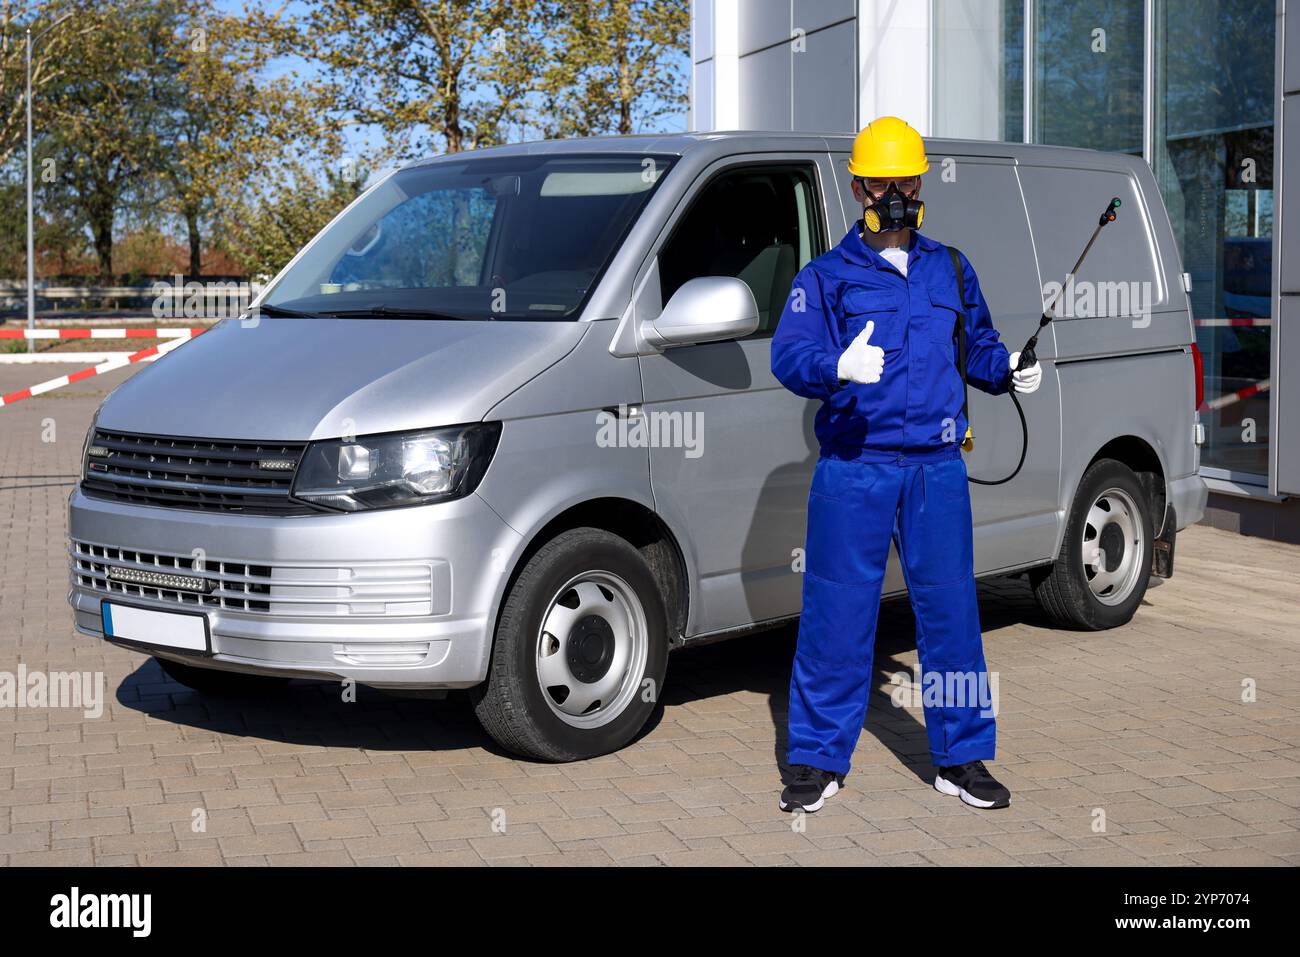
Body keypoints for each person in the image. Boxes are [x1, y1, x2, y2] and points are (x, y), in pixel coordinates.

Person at [771, 116, 1042, 813]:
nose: (895, 191)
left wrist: (1006, 367)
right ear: (857, 184)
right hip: (855, 465)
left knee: (952, 614)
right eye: (883, 180)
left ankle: (963, 757)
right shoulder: (825, 276)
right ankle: (817, 757)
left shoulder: (950, 266)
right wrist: (835, 363)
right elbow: (788, 355)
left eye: (907, 178)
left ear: (922, 182)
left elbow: (975, 344)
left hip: (936, 467)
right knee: (837, 611)